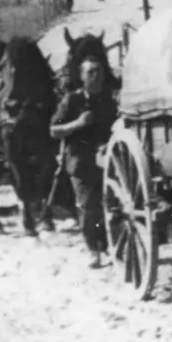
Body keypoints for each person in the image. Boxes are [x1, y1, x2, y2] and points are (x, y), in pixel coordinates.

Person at [50, 56, 117, 268]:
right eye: (90, 73)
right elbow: (54, 131)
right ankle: (93, 250)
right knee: (89, 208)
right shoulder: (71, 100)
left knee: (113, 206)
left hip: (108, 159)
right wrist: (77, 124)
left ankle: (108, 245)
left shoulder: (110, 99)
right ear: (81, 76)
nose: (95, 77)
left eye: (98, 71)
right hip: (81, 162)